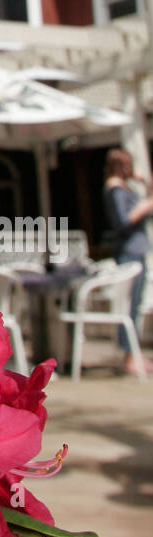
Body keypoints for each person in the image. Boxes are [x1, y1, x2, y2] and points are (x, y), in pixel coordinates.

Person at [102, 148, 153, 375]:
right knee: (130, 305)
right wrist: (145, 206)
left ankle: (133, 353)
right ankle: (129, 356)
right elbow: (123, 221)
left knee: (136, 304)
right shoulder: (115, 189)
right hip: (129, 252)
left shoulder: (122, 188)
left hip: (136, 249)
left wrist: (145, 184)